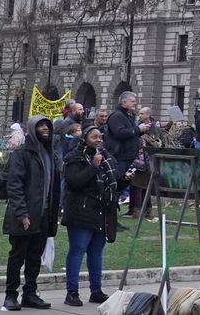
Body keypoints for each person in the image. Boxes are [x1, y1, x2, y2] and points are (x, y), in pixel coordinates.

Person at [2, 116, 60, 312]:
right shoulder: (22, 154)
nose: (45, 129)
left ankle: (30, 294)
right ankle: (10, 296)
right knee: (17, 256)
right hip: (25, 214)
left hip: (44, 214)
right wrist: (22, 214)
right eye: (41, 126)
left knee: (35, 257)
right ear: (32, 130)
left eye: (47, 126)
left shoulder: (50, 154)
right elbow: (15, 186)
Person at [61, 126, 118, 307]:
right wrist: (93, 167)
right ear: (84, 138)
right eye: (94, 136)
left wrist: (125, 179)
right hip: (81, 210)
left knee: (96, 252)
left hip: (101, 211)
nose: (98, 139)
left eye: (100, 136)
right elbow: (74, 182)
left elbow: (111, 183)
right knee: (77, 250)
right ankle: (72, 292)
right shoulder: (75, 158)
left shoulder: (106, 157)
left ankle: (96, 290)